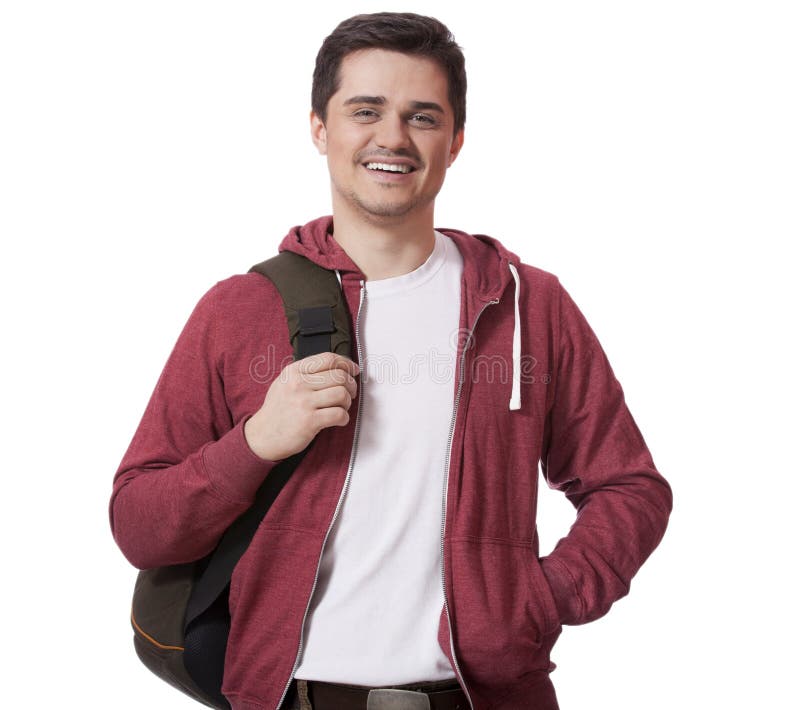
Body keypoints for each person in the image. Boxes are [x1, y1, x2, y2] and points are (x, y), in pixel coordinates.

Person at [110, 12, 672, 710]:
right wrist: (255, 443)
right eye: (365, 110)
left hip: (487, 697)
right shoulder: (237, 309)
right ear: (320, 128)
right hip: (290, 697)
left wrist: (540, 599)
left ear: (456, 140)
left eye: (423, 117)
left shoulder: (529, 305)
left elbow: (630, 487)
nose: (392, 139)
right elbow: (139, 522)